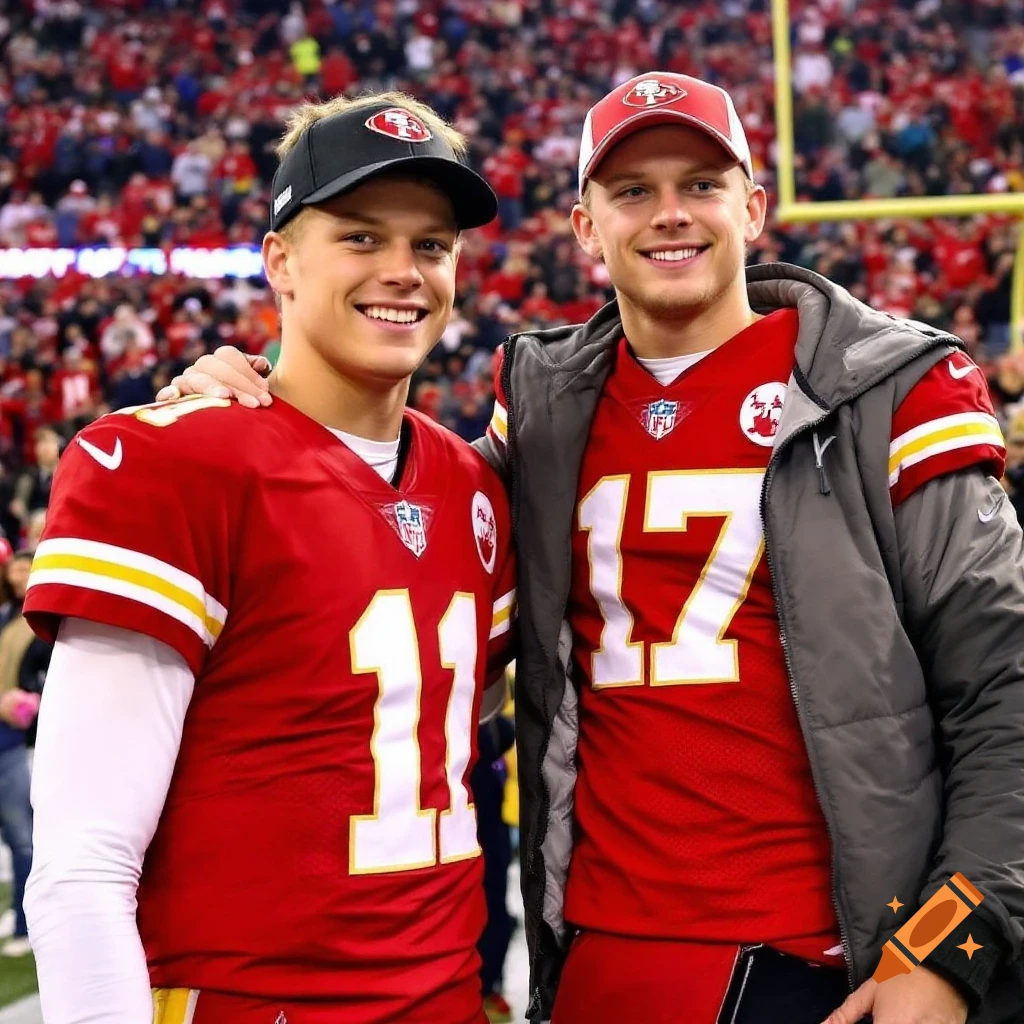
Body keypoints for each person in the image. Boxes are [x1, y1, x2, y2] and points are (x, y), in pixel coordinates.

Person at [159, 72, 1024, 1024]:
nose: (670, 215)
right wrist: (254, 400)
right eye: (632, 191)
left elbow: (1005, 683)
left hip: (817, 958)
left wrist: (953, 949)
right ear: (584, 226)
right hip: (593, 960)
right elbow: (388, 535)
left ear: (755, 206)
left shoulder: (891, 390)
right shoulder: (542, 411)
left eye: (700, 183)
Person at [23, 91, 517, 1024]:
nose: (404, 271)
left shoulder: (476, 486)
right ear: (280, 262)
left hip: (443, 1000)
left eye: (432, 245)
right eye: (363, 238)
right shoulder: (172, 462)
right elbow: (82, 864)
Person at [0, 551, 40, 959]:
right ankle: (18, 913)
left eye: (23, 568)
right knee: (17, 841)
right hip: (13, 741)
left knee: (25, 841)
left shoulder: (36, 623)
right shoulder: (8, 618)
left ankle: (27, 923)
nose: (17, 576)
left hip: (20, 743)